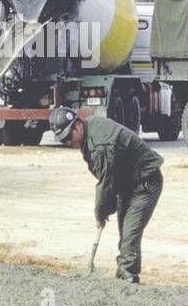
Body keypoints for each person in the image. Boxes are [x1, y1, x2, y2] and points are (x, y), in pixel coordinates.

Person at [50, 106, 164, 283]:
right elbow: (109, 179)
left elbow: (105, 184)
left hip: (145, 183)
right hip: (126, 183)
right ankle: (125, 274)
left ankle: (128, 278)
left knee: (129, 234)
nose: (67, 143)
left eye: (67, 137)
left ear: (77, 126)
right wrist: (106, 209)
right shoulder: (90, 128)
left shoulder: (100, 146)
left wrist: (100, 214)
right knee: (125, 233)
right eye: (62, 140)